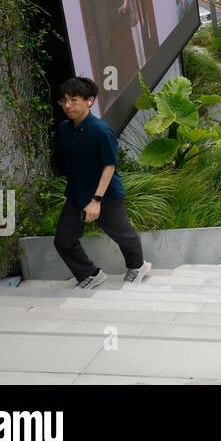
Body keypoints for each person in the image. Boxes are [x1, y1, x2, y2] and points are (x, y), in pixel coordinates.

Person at [53, 77, 150, 289]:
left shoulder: (101, 131)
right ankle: (90, 274)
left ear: (90, 101)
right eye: (64, 101)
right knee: (63, 239)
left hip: (105, 196)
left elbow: (109, 166)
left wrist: (96, 200)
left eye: (74, 100)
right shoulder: (64, 129)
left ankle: (137, 266)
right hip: (77, 195)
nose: (68, 105)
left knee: (122, 234)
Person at [118, 0, 147, 68]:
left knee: (141, 44)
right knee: (136, 46)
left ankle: (144, 63)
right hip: (131, 22)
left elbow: (138, 3)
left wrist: (142, 17)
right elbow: (125, 6)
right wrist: (122, 8)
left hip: (137, 20)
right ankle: (140, 66)